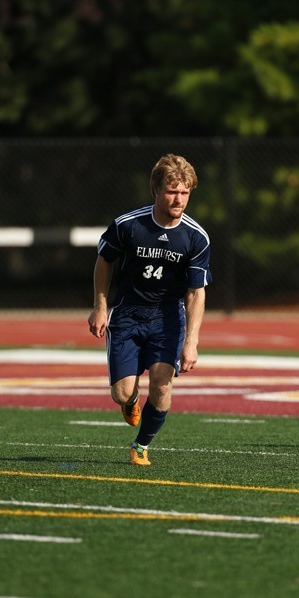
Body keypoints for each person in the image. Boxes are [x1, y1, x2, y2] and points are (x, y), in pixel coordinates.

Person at [88, 154, 212, 466]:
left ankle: (141, 445)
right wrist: (100, 307)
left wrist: (192, 342)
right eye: (172, 191)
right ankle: (129, 400)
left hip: (167, 318)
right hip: (128, 314)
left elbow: (197, 292)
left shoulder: (196, 237)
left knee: (162, 387)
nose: (179, 199)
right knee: (121, 393)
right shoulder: (128, 225)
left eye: (185, 192)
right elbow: (104, 262)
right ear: (156, 190)